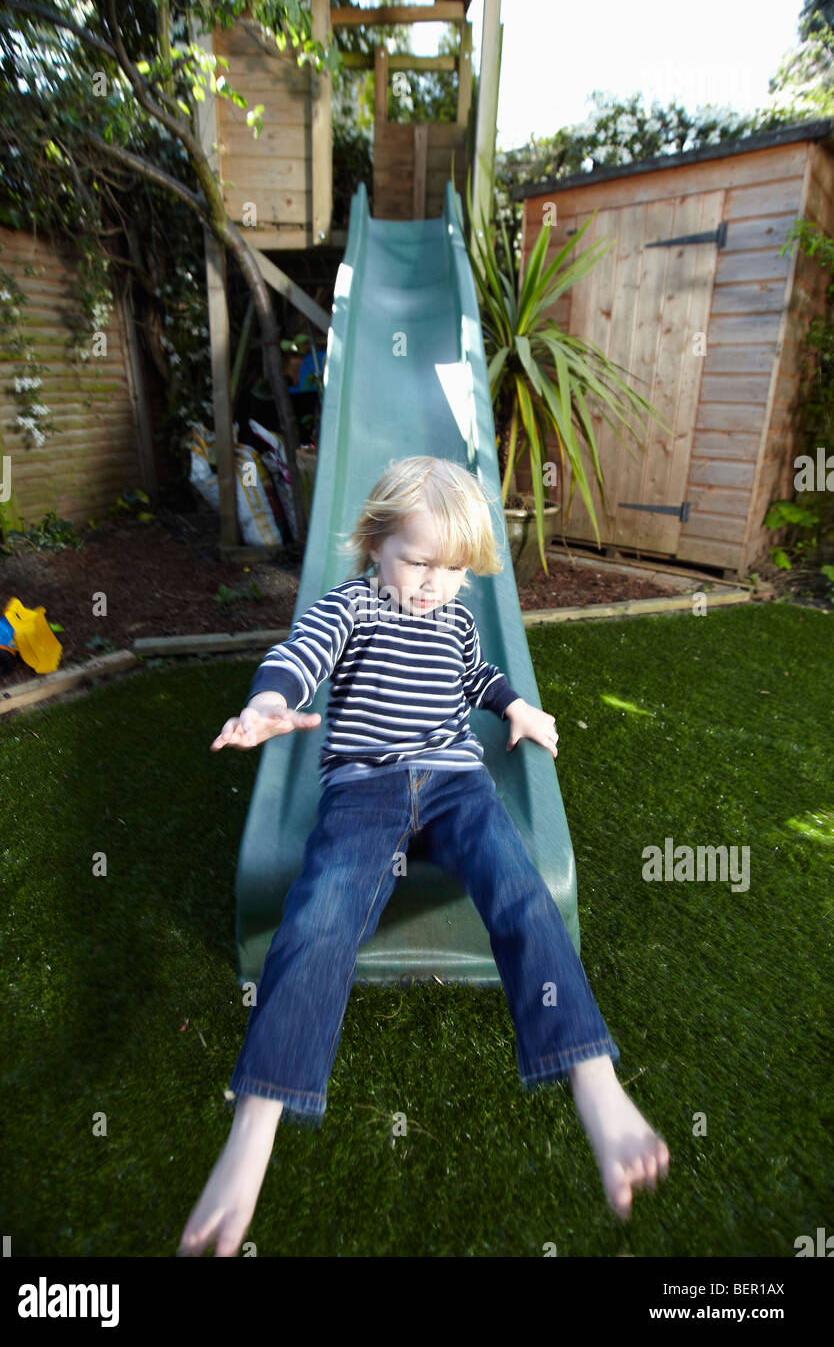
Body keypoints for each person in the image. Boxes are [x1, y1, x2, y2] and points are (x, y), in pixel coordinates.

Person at [177, 456, 669, 1257]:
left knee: (519, 888)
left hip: (454, 784)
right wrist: (269, 703)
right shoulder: (351, 608)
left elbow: (476, 674)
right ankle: (253, 1133)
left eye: (452, 570)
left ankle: (596, 1084)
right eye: (416, 562)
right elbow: (299, 656)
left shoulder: (459, 619)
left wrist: (517, 707)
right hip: (365, 789)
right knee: (321, 914)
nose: (435, 584)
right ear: (375, 546)